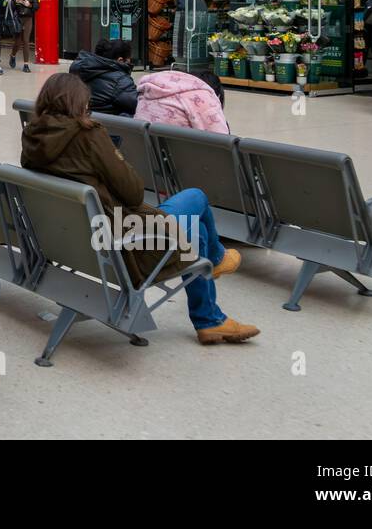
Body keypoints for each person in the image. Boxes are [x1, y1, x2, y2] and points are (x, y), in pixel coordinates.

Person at [20, 73, 257, 344]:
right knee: (196, 198)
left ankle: (210, 319)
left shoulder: (32, 138)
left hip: (74, 240)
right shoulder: (88, 135)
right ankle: (214, 270)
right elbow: (132, 193)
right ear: (79, 104)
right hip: (122, 239)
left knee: (197, 231)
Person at [135, 69, 230, 134]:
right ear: (217, 96)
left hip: (146, 156)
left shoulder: (147, 92)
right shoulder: (201, 97)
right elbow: (222, 141)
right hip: (182, 160)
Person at [71, 39, 139, 116]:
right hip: (108, 125)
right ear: (120, 60)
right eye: (129, 60)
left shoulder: (80, 70)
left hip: (83, 120)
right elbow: (138, 105)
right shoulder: (120, 81)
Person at [6, 0, 39, 73]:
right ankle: (12, 55)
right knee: (17, 42)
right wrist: (13, 2)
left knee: (26, 41)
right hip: (18, 19)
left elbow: (37, 6)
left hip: (28, 18)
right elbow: (9, 7)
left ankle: (26, 65)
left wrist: (30, 4)